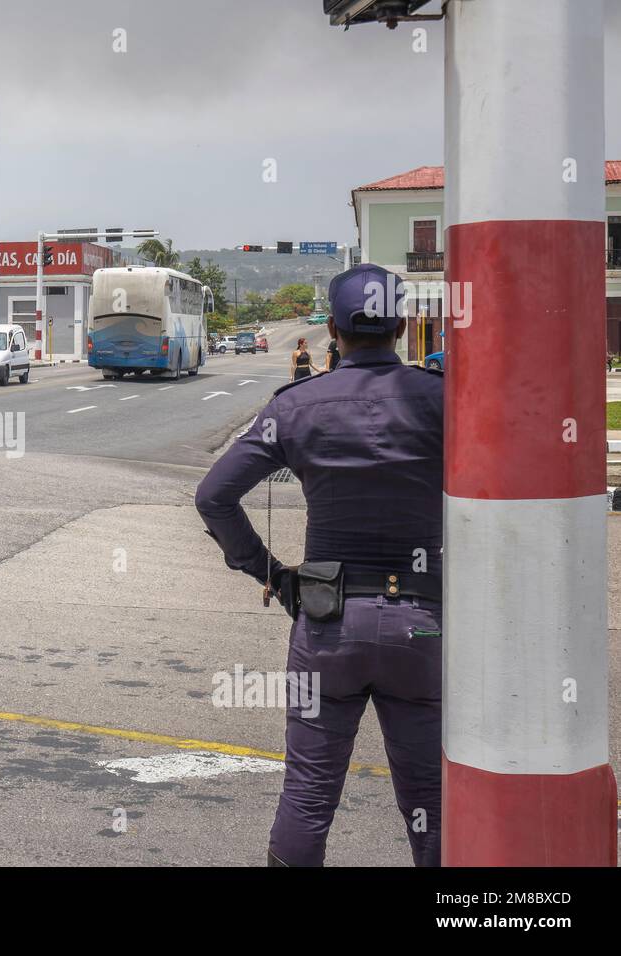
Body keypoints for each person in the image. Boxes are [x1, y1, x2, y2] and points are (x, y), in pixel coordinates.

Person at [194, 263, 443, 867]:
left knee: (308, 795)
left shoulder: (298, 406)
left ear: (333, 328)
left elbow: (213, 497)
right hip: (424, 624)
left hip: (328, 622)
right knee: (430, 798)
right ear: (402, 324)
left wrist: (272, 575)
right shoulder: (442, 399)